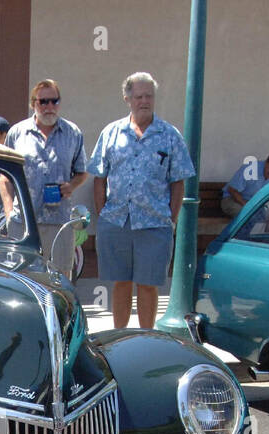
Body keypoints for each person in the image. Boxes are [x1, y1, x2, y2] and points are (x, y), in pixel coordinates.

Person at [89, 72, 194, 329]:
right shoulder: (112, 133)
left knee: (147, 285)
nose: (144, 101)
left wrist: (171, 219)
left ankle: (146, 340)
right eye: (139, 96)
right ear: (127, 99)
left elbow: (178, 181)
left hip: (153, 223)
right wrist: (103, 213)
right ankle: (119, 338)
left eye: (149, 96)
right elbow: (99, 177)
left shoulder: (169, 135)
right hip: (117, 221)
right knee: (121, 283)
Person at [5, 79, 90, 279]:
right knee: (20, 277)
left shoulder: (72, 133)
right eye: (43, 102)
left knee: (59, 279)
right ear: (33, 103)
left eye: (54, 101)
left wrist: (72, 186)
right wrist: (9, 211)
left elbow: (82, 171)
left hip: (59, 221)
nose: (49, 107)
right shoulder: (17, 133)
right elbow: (4, 176)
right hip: (23, 221)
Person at [221, 151, 269, 218]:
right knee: (247, 215)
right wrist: (249, 207)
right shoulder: (250, 169)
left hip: (253, 205)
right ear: (266, 162)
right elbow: (232, 190)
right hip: (231, 200)